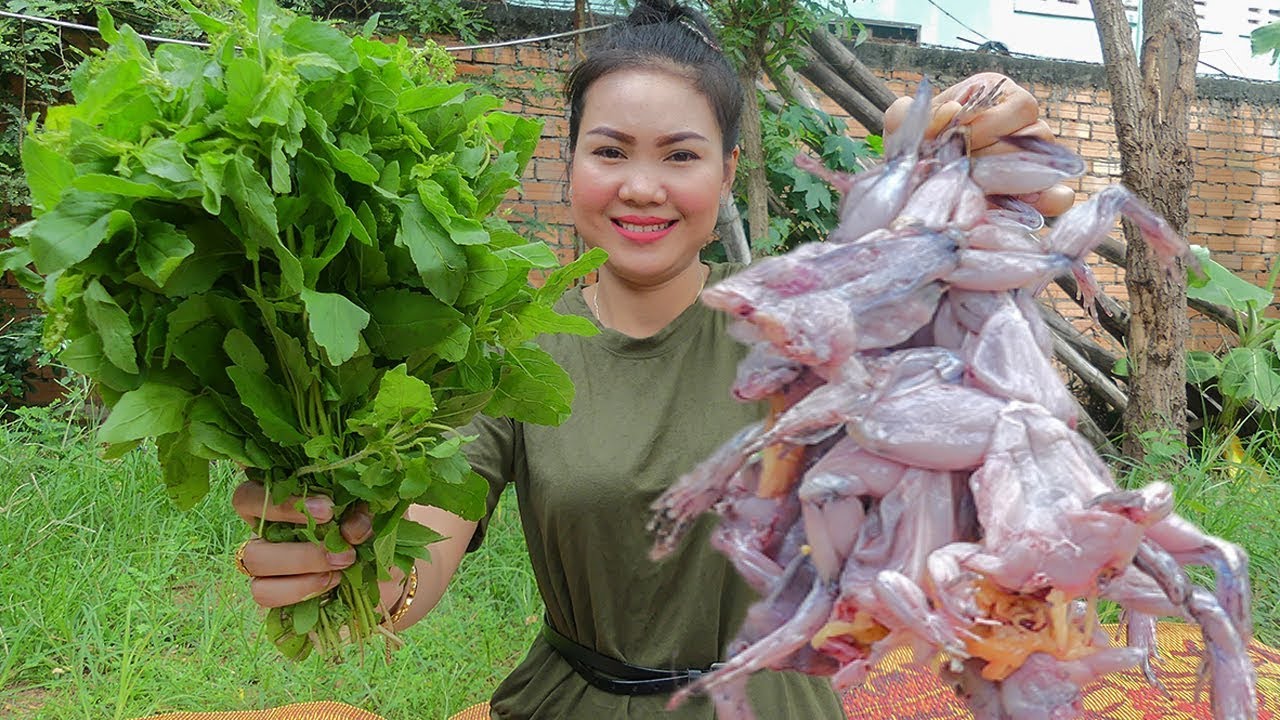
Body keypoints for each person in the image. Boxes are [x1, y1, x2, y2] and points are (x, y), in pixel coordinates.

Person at [230, 1, 1075, 716]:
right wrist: (345, 569)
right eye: (610, 151)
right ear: (568, 166)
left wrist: (981, 185)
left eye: (679, 154)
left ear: (726, 170)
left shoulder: (801, 323)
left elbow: (962, 363)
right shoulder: (511, 347)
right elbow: (421, 553)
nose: (642, 186)